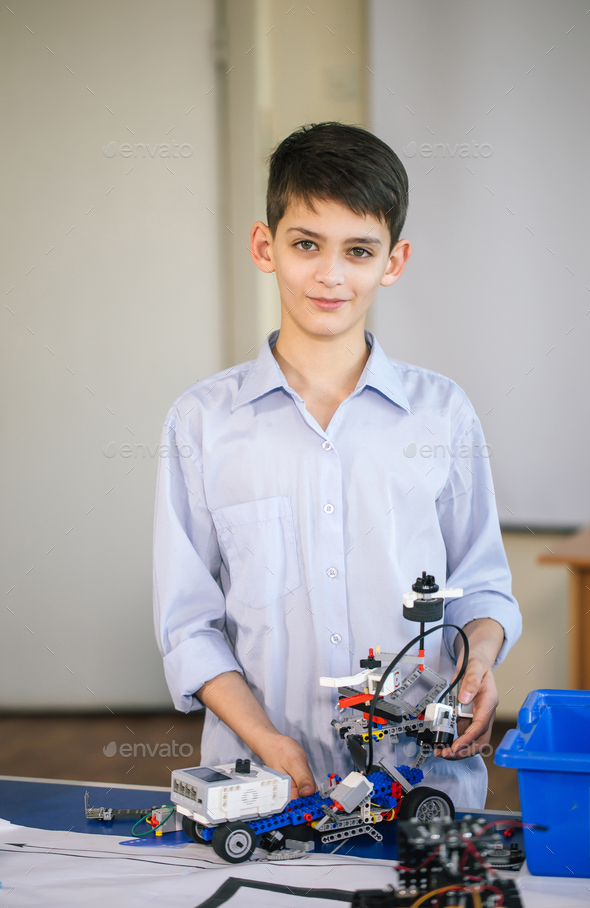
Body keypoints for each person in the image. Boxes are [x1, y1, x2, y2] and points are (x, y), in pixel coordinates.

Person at [153, 121, 521, 809]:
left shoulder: (443, 414)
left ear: (394, 260)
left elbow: (482, 589)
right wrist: (264, 737)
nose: (330, 275)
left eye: (358, 250)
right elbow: (187, 626)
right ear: (266, 247)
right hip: (261, 786)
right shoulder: (202, 422)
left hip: (423, 784)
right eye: (305, 244)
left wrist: (477, 665)